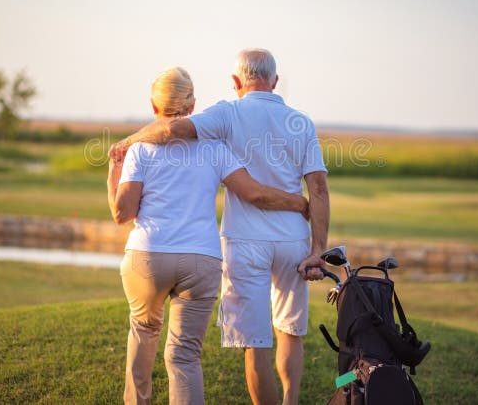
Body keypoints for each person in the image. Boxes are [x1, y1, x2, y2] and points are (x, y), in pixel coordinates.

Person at [110, 49, 330, 405]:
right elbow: (318, 188)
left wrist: (128, 143)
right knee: (290, 331)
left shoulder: (227, 114)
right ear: (274, 81)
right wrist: (317, 246)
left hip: (243, 243)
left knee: (255, 345)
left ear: (235, 82)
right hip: (292, 238)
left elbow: (169, 129)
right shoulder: (299, 121)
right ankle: (291, 400)